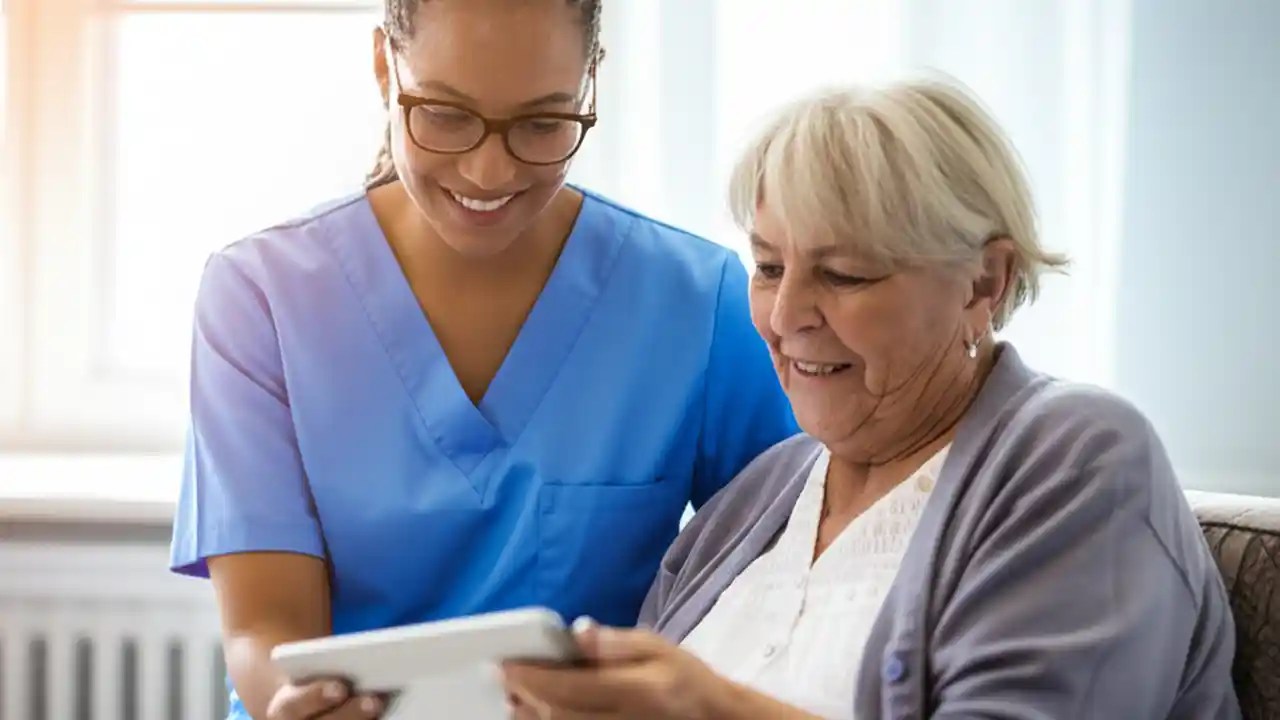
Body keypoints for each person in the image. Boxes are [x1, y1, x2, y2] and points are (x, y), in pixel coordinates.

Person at [502, 76, 1242, 719]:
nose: (786, 316)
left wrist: (710, 708)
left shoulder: (1080, 460)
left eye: (846, 275)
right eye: (766, 266)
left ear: (985, 282)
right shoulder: (756, 497)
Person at [168, 1, 797, 718]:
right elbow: (264, 628)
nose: (489, 170)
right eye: (444, 114)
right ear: (384, 67)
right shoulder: (260, 298)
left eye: (541, 123)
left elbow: (783, 589)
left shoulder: (699, 303)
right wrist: (299, 703)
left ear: (591, 82)